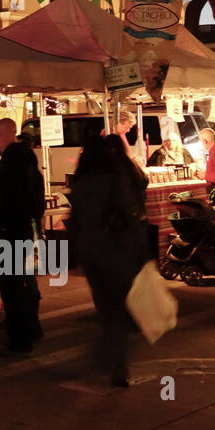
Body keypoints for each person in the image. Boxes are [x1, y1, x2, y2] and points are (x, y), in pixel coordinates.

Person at [68, 137, 147, 387]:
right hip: (115, 249)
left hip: (90, 251)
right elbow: (128, 212)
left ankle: (108, 354)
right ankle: (117, 363)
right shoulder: (113, 179)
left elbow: (75, 220)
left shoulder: (81, 182)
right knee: (117, 305)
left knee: (105, 307)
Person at [0, 117, 45, 355]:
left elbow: (4, 199)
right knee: (19, 283)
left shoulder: (13, 161)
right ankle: (28, 328)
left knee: (12, 287)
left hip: (10, 231)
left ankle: (20, 339)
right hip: (20, 229)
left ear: (7, 133)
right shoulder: (25, 160)